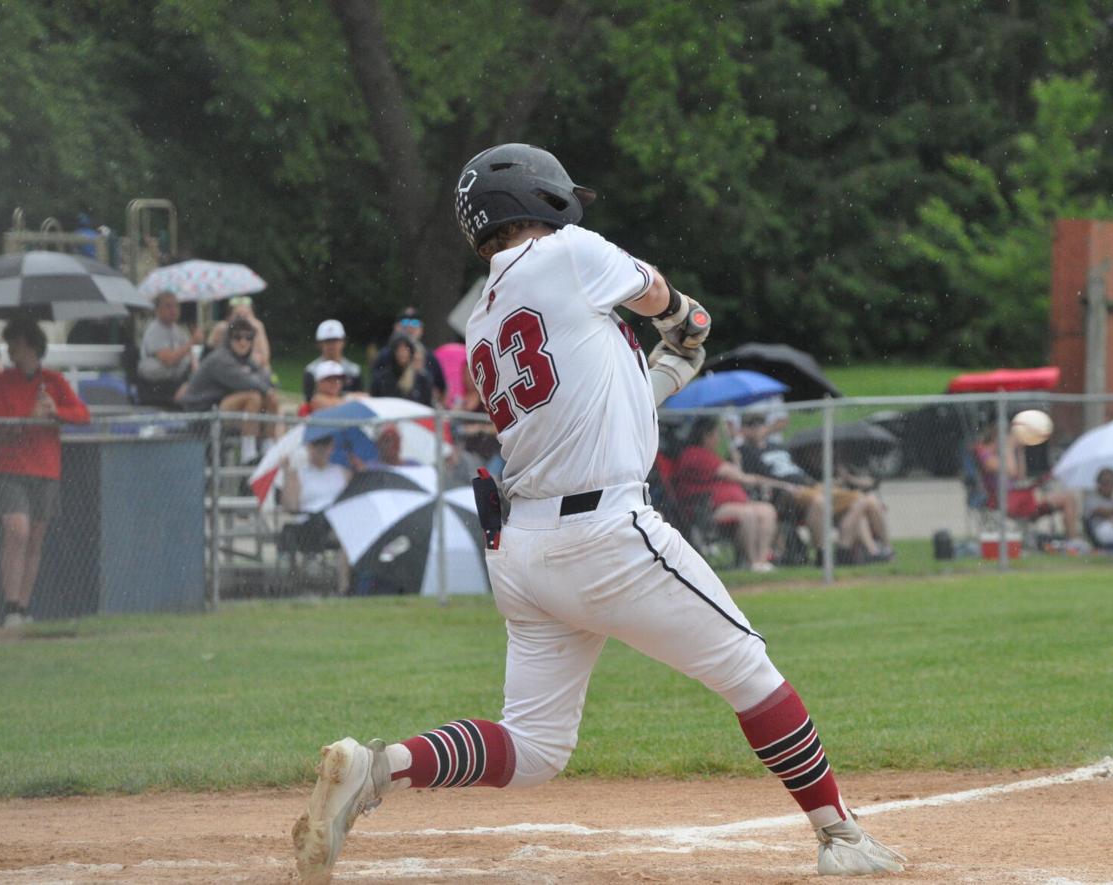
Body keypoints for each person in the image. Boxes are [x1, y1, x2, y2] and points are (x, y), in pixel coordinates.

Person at [293, 143, 904, 882]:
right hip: (603, 531)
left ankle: (378, 766)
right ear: (540, 202)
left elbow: (589, 413)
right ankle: (839, 835)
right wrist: (684, 321)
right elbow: (661, 297)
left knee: (535, 747)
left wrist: (662, 374)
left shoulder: (483, 320)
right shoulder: (567, 253)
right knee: (750, 671)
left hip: (525, 549)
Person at [0, 316, 90, 626]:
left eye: (15, 344)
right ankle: (9, 605)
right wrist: (29, 417)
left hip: (45, 467)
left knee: (35, 539)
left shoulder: (54, 382)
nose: (11, 351)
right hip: (11, 466)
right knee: (17, 529)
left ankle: (22, 606)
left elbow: (83, 415)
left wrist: (56, 412)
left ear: (31, 345)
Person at [736, 414, 892, 564]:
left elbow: (798, 470)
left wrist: (842, 479)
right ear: (743, 430)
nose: (758, 428)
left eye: (761, 423)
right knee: (818, 501)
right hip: (785, 493)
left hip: (809, 486)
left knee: (863, 500)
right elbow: (750, 479)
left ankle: (876, 550)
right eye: (751, 425)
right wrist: (783, 485)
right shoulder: (743, 452)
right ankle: (823, 555)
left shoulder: (778, 447)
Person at [674, 417, 789, 571]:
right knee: (748, 513)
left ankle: (762, 561)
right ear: (705, 436)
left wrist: (735, 462)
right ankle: (752, 562)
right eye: (715, 435)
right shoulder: (696, 454)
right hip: (706, 510)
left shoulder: (711, 455)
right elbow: (742, 478)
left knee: (767, 511)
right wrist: (736, 465)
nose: (718, 439)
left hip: (732, 505)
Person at [177, 316, 280, 463]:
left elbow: (270, 379)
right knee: (254, 397)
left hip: (221, 411)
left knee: (270, 399)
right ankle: (248, 455)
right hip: (203, 415)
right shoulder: (220, 359)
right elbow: (244, 381)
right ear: (228, 339)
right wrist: (267, 388)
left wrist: (269, 389)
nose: (243, 342)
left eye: (248, 337)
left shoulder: (245, 360)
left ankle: (269, 451)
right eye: (237, 337)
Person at [973, 424, 1081, 543]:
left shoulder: (1001, 454)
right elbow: (1011, 472)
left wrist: (1020, 451)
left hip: (1018, 497)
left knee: (1068, 498)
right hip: (1005, 500)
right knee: (1066, 499)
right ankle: (1073, 541)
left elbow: (1020, 476)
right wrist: (1008, 448)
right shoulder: (984, 453)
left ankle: (1073, 539)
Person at [278, 434, 351, 594]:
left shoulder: (341, 473)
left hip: (336, 522)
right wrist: (287, 473)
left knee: (349, 531)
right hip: (309, 524)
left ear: (331, 446)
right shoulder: (299, 474)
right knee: (323, 521)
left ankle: (344, 589)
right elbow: (290, 506)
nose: (321, 449)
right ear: (309, 447)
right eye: (316, 445)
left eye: (325, 444)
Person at [136, 291, 202, 408]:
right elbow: (169, 360)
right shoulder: (155, 331)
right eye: (168, 306)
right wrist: (192, 341)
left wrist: (198, 373)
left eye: (176, 305)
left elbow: (190, 355)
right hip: (157, 384)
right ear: (158, 309)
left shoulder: (178, 330)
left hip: (176, 380)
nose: (174, 310)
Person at [370, 308, 446, 405]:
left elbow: (441, 388)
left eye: (415, 323)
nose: (410, 327)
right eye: (405, 322)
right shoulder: (385, 356)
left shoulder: (430, 359)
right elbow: (375, 387)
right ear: (396, 327)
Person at [207, 295, 272, 372]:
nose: (242, 319)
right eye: (238, 315)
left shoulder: (257, 327)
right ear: (229, 316)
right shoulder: (221, 328)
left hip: (253, 370)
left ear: (253, 315)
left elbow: (264, 357)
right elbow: (208, 351)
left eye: (246, 315)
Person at [302, 320, 362, 402]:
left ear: (343, 342)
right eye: (327, 341)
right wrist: (347, 398)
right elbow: (310, 399)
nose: (331, 345)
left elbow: (360, 398)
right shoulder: (311, 371)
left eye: (335, 341)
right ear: (319, 344)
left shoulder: (354, 370)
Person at [368, 334, 433, 405]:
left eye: (405, 350)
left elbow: (427, 406)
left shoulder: (421, 380)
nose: (402, 353)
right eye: (399, 350)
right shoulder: (381, 379)